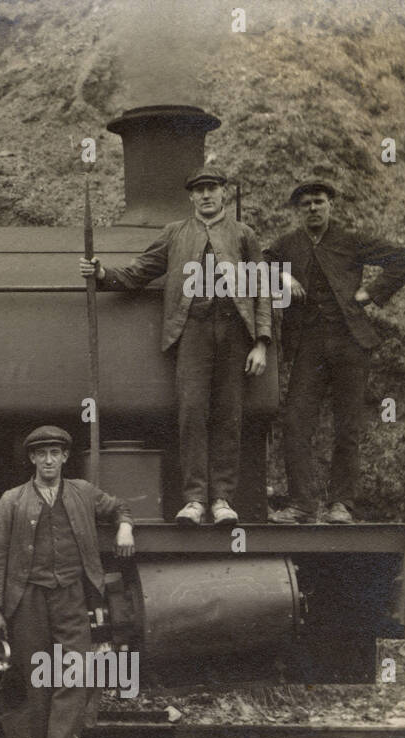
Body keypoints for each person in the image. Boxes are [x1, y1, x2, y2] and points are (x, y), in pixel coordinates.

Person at [79, 170, 271, 526]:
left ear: (223, 193)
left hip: (234, 333)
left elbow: (262, 288)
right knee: (192, 414)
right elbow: (139, 272)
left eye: (212, 188)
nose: (206, 195)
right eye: (199, 191)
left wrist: (260, 342)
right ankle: (195, 501)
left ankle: (223, 501)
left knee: (229, 415)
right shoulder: (174, 234)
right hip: (192, 331)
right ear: (191, 198)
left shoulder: (244, 235)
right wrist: (103, 274)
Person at [0, 426, 135, 738]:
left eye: (55, 453)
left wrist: (125, 526)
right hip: (28, 598)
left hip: (71, 594)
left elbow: (119, 507)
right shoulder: (12, 500)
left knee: (76, 673)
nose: (49, 460)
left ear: (66, 457)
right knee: (39, 682)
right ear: (33, 459)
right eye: (42, 454)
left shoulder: (83, 492)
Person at [265, 180, 405, 524]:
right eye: (305, 204)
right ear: (297, 210)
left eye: (318, 202)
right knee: (294, 422)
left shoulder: (350, 241)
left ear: (330, 205)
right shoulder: (288, 244)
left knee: (347, 427)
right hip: (308, 346)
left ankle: (341, 505)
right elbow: (256, 263)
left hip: (351, 343)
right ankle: (302, 505)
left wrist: (372, 293)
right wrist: (281, 278)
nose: (312, 208)